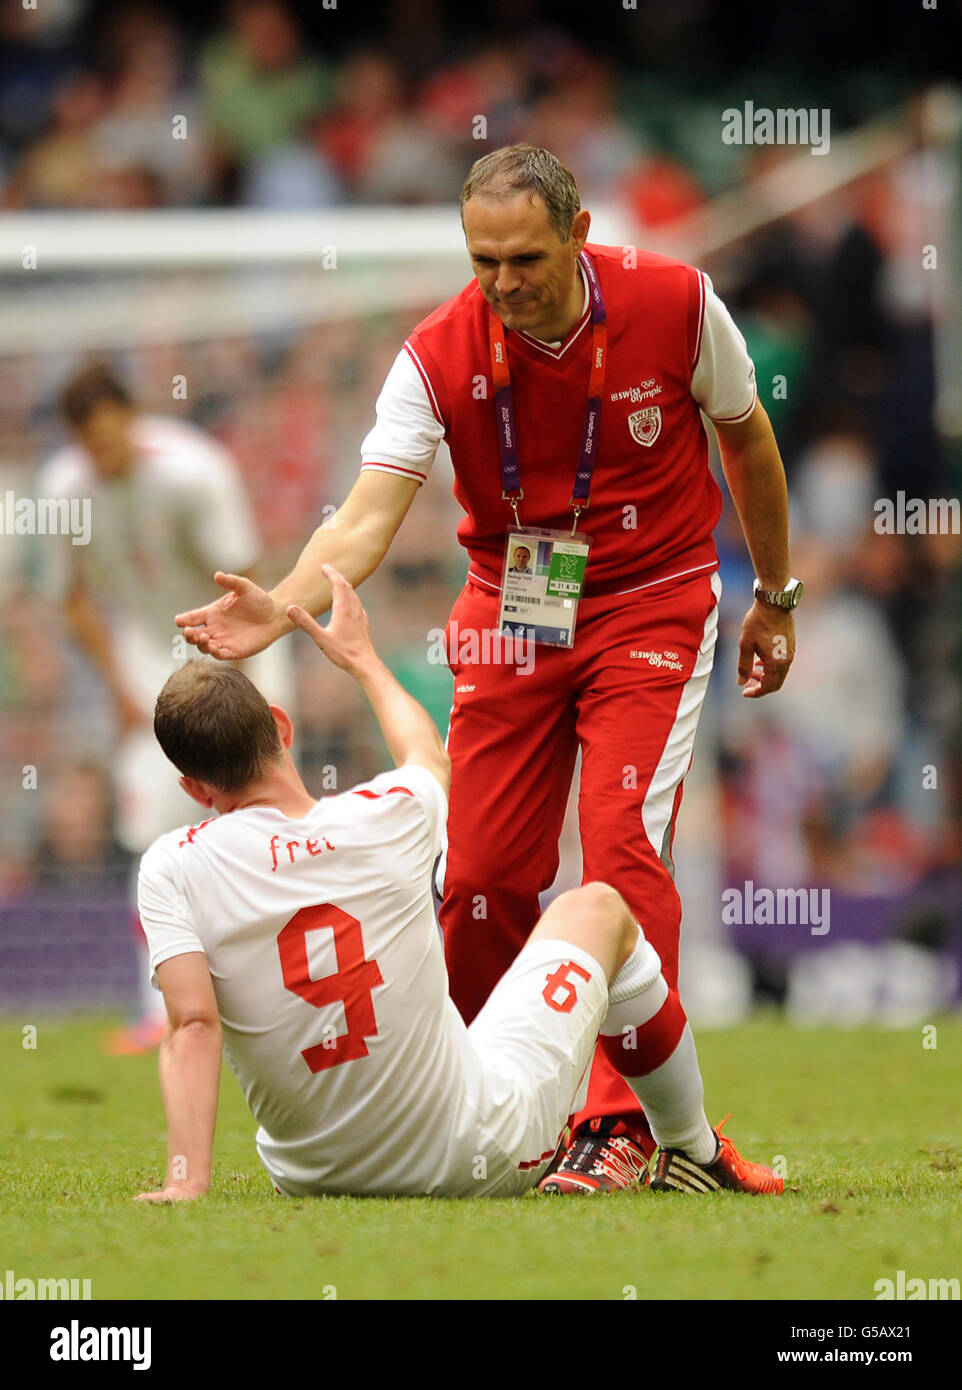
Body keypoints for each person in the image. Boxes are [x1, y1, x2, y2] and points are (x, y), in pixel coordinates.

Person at [174, 145, 801, 1193]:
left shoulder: (679, 303)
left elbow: (746, 438)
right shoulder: (435, 354)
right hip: (512, 614)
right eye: (482, 260)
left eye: (524, 257)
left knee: (617, 847)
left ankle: (621, 1126)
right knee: (478, 878)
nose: (503, 281)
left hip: (650, 601)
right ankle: (454, 1092)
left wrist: (774, 597)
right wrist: (284, 604)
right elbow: (370, 512)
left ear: (580, 233)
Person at [135, 565, 782, 1201]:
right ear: (282, 725)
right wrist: (362, 659)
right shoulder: (388, 814)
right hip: (475, 1156)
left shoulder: (171, 866)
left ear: (194, 788)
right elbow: (427, 756)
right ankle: (691, 1147)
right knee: (601, 908)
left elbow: (193, 1025)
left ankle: (674, 1143)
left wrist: (186, 1180)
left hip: (311, 1176)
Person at [39, 362, 291, 1053]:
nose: (107, 457)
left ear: (134, 418)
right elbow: (70, 599)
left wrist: (225, 685)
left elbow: (249, 582)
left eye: (115, 440)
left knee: (266, 820)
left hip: (244, 652)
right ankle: (160, 1009)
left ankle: (291, 994)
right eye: (93, 446)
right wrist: (124, 689)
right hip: (154, 663)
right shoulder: (64, 488)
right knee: (151, 821)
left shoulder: (193, 471)